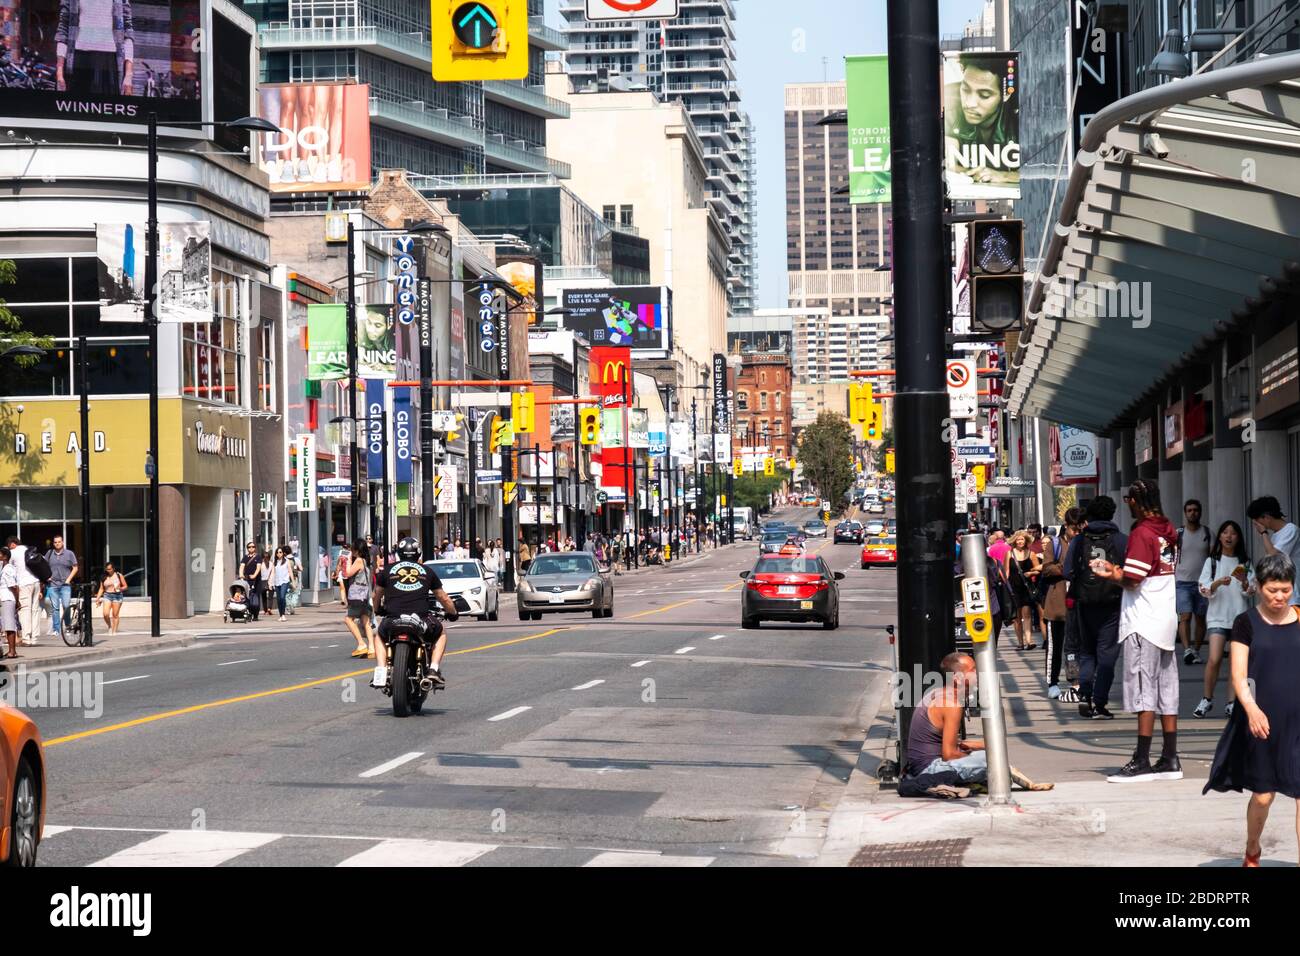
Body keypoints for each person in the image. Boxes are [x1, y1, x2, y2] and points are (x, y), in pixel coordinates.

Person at [1204, 553, 1300, 865]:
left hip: (1298, 721)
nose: (1279, 596)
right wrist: (1252, 710)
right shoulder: (1246, 623)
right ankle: (1253, 848)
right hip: (1263, 721)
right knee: (1264, 795)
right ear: (1258, 586)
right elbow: (1237, 674)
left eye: (1286, 590)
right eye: (1273, 590)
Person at [1091, 479, 1181, 783]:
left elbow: (1133, 579)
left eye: (1129, 498)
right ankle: (1170, 758)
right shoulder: (1167, 530)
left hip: (1144, 619)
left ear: (1135, 502)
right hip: (1166, 617)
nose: (1126, 502)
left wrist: (1110, 573)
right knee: (1166, 689)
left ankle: (1141, 760)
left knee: (1144, 690)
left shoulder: (1143, 533)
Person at [905, 652, 1051, 790]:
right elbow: (949, 755)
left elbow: (946, 744)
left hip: (922, 766)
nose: (977, 674)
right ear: (957, 678)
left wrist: (982, 746)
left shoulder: (939, 693)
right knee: (991, 760)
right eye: (973, 670)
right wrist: (974, 757)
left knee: (990, 750)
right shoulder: (951, 704)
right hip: (931, 770)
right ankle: (1002, 772)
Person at [1064, 496, 1127, 720]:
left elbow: (1067, 571)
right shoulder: (1121, 540)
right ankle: (1100, 703)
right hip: (1112, 603)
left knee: (1087, 652)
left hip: (1084, 603)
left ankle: (1085, 695)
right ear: (1112, 513)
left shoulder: (1079, 541)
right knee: (1107, 654)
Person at [372, 537, 459, 690]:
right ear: (418, 554)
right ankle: (433, 668)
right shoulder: (427, 571)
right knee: (441, 633)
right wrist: (453, 612)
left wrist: (377, 609)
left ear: (399, 553)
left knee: (379, 635)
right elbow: (443, 597)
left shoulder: (386, 571)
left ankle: (381, 671)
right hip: (421, 620)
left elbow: (376, 595)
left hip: (393, 619)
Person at [1194, 521, 1254, 719]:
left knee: (1236, 663)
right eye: (1225, 532)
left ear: (1239, 538)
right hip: (1217, 618)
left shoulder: (1245, 562)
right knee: (1214, 658)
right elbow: (1203, 589)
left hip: (1239, 618)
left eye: (1233, 533)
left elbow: (1251, 591)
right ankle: (1206, 699)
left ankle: (1231, 702)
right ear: (1219, 536)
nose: (1229, 536)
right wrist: (1218, 582)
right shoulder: (1212, 561)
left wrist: (1244, 582)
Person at [56, 0, 137, 97]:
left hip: (109, 62)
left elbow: (128, 32)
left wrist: (128, 74)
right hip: (79, 60)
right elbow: (63, 31)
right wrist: (59, 71)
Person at [1038, 518, 1073, 699]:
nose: (1077, 531)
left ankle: (1074, 680)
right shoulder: (1056, 544)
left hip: (1078, 604)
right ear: (1066, 527)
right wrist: (1068, 567)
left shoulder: (1085, 543)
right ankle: (1052, 681)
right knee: (1055, 645)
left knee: (1074, 646)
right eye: (1074, 528)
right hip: (1057, 603)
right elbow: (1047, 569)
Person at [1176, 499, 1212, 665]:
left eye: (1195, 510)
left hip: (1202, 583)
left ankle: (1196, 650)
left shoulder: (1207, 532)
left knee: (1200, 618)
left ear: (1200, 512)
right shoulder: (1178, 534)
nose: (1192, 513)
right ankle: (1187, 649)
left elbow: (1214, 557)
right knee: (1185, 616)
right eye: (1189, 510)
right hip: (1182, 582)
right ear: (1185, 513)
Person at [1246, 496, 1300, 606]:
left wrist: (1263, 533)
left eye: (1257, 520)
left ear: (1266, 517)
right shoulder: (1275, 535)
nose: (1256, 524)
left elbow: (1273, 556)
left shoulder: (1291, 530)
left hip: (1294, 595)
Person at [1003, 530, 1039, 650]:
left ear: (1026, 541)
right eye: (1018, 539)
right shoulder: (1009, 554)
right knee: (1017, 617)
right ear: (1014, 541)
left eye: (1022, 539)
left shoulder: (1031, 553)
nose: (1020, 542)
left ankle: (1029, 641)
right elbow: (1006, 572)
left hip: (1026, 588)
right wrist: (1005, 586)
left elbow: (1038, 569)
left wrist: (1031, 573)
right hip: (1013, 588)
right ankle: (1020, 642)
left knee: (1027, 614)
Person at [5, 535, 42, 646]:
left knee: (25, 610)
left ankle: (26, 638)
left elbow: (8, 569)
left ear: (12, 544)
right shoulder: (28, 549)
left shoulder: (13, 553)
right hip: (36, 582)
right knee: (35, 610)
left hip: (24, 584)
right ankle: (34, 638)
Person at [342, 538, 377, 659]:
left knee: (348, 619)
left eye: (352, 549)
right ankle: (372, 648)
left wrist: (346, 561)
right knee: (365, 621)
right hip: (365, 595)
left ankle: (361, 644)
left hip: (357, 595)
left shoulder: (358, 561)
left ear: (356, 550)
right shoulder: (367, 561)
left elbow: (347, 574)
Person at [44, 534, 79, 640]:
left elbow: (75, 568)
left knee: (66, 605)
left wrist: (68, 580)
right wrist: (47, 577)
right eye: (55, 542)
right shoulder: (49, 554)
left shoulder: (69, 554)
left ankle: (68, 627)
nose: (57, 544)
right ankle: (56, 629)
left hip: (65, 585)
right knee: (55, 608)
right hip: (53, 585)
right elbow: (44, 566)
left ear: (62, 542)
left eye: (59, 542)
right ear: (53, 543)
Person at [94, 561, 128, 635]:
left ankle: (114, 631)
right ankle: (109, 626)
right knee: (105, 614)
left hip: (117, 595)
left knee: (115, 615)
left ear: (113, 569)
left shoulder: (119, 575)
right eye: (107, 569)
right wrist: (98, 599)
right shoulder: (104, 576)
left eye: (109, 569)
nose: (108, 570)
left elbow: (125, 586)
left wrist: (120, 588)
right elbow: (101, 588)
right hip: (107, 595)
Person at [1, 547, 20, 659]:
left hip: (8, 598)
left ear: (5, 556)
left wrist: (17, 601)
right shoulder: (4, 568)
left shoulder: (8, 568)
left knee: (9, 625)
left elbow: (13, 586)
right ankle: (11, 651)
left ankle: (12, 651)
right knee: (7, 625)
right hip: (5, 598)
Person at [241, 542, 264, 621]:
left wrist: (254, 575)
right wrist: (241, 574)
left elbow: (258, 567)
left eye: (253, 547)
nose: (251, 548)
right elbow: (242, 566)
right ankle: (249, 613)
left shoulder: (258, 557)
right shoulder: (245, 557)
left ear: (255, 548)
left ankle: (256, 615)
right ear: (247, 548)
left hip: (256, 581)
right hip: (247, 580)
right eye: (249, 547)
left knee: (256, 597)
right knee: (247, 597)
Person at [271, 546, 292, 621]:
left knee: (282, 597)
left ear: (283, 553)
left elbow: (290, 571)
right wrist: (270, 583)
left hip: (285, 581)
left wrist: (293, 582)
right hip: (277, 582)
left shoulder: (286, 561)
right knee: (279, 599)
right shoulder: (275, 563)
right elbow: (273, 573)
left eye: (280, 552)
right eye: (277, 552)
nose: (279, 554)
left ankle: (283, 614)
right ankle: (281, 615)